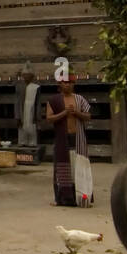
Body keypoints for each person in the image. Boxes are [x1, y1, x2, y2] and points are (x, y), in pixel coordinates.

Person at [46, 75, 93, 207]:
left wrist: (77, 112)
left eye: (70, 83)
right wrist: (64, 113)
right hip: (62, 138)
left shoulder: (79, 99)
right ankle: (62, 198)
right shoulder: (54, 100)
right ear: (60, 84)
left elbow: (88, 116)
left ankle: (83, 197)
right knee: (63, 169)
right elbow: (49, 119)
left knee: (80, 167)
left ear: (73, 84)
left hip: (78, 137)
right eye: (65, 83)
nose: (67, 85)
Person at [14, 65, 41, 148]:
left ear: (32, 76)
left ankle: (32, 143)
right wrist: (17, 116)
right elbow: (17, 101)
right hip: (22, 110)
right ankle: (22, 142)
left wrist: (37, 116)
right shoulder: (19, 86)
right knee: (22, 126)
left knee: (31, 126)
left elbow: (38, 102)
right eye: (24, 75)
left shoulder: (36, 87)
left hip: (31, 111)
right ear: (22, 76)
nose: (26, 77)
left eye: (28, 75)